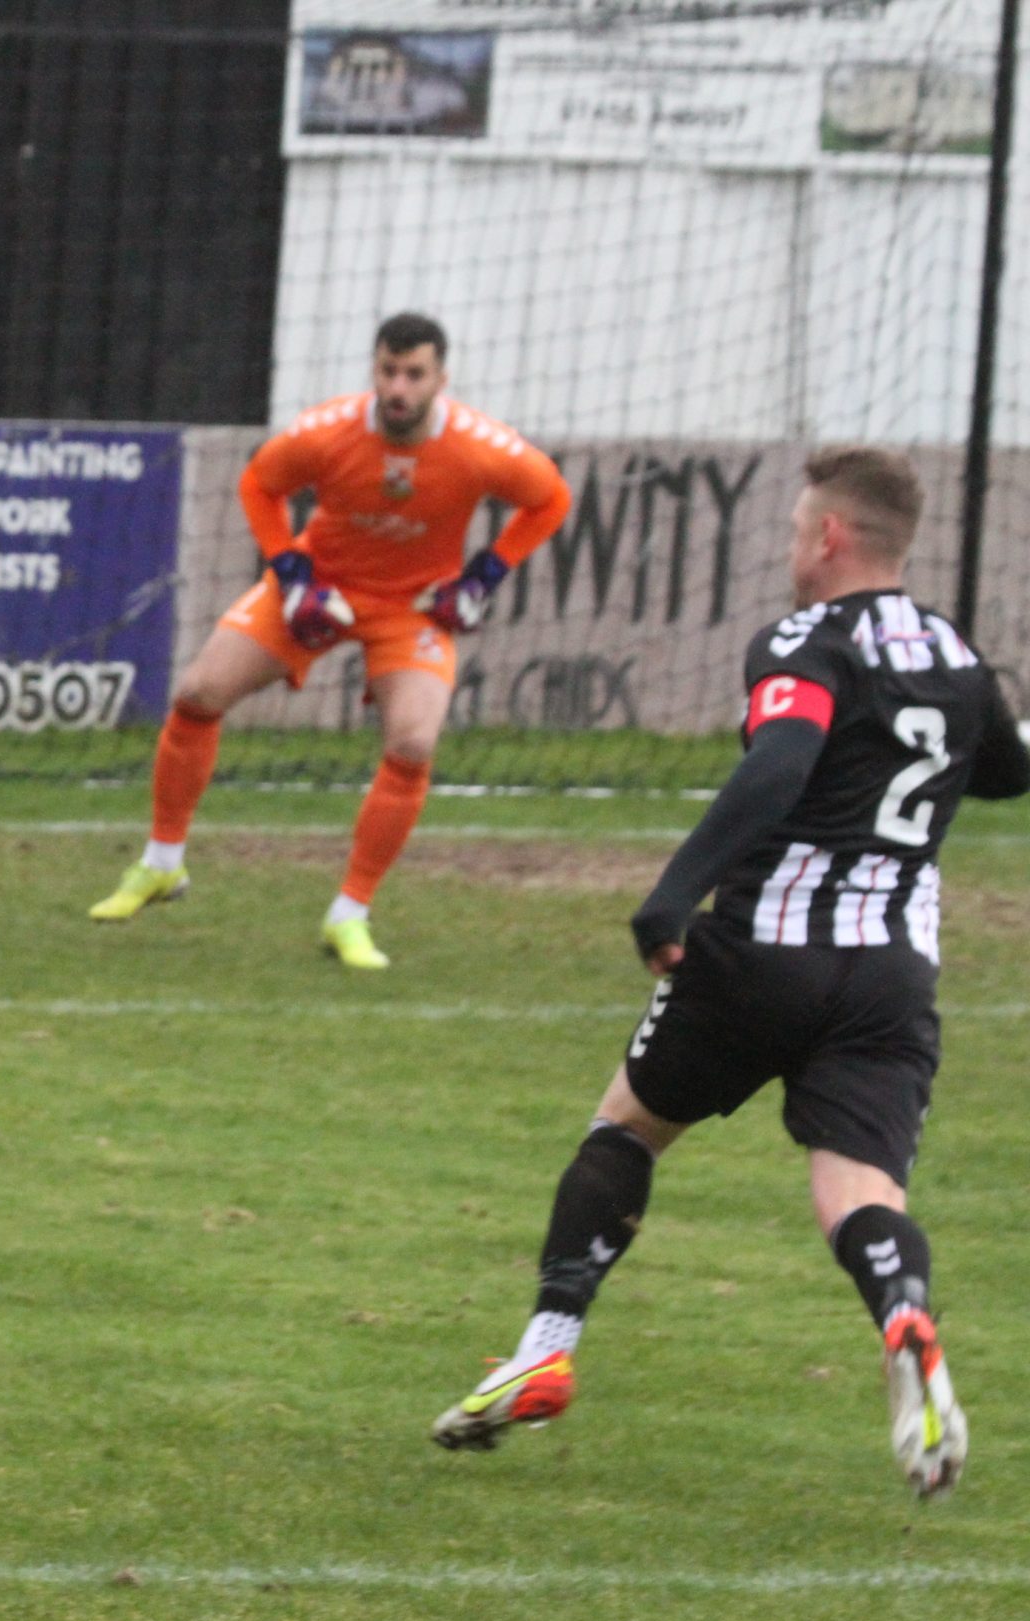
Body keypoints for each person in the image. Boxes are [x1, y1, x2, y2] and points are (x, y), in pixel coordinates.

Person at [430, 448, 1028, 1497]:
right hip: (892, 971)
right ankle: (902, 1317)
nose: (793, 548)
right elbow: (1009, 773)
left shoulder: (805, 641)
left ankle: (545, 1344)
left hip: (766, 951)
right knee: (857, 1189)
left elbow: (780, 763)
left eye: (799, 529)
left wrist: (673, 894)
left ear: (830, 537)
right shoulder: (953, 654)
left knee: (625, 1128)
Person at [88, 312, 573, 968]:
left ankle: (350, 913)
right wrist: (291, 576)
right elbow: (260, 482)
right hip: (321, 588)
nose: (399, 387)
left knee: (413, 742)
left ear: (441, 378)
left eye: (414, 374)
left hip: (412, 608)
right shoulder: (330, 429)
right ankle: (161, 864)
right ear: (374, 369)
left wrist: (484, 576)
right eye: (388, 371)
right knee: (199, 691)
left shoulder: (478, 445)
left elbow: (551, 498)